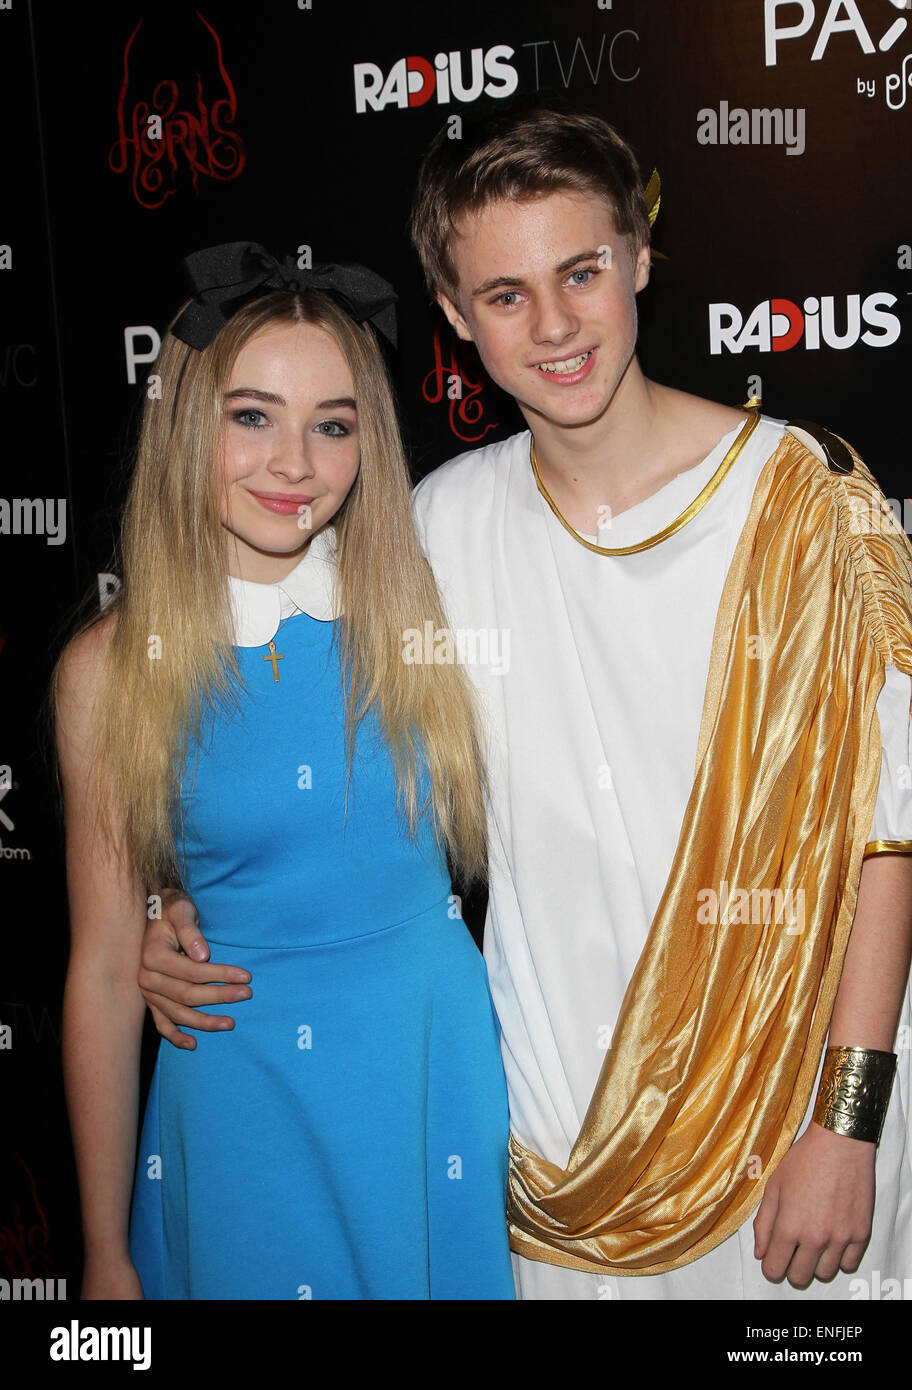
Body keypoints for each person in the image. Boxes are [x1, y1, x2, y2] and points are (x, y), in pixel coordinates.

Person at [139, 110, 912, 1301]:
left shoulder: (806, 501)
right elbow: (246, 696)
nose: (554, 325)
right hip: (552, 1139)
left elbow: (887, 831)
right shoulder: (432, 532)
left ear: (640, 259)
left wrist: (847, 1120)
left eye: (581, 272)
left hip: (794, 1138)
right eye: (506, 294)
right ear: (454, 316)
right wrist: (173, 904)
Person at [54, 243, 515, 1301]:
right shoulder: (109, 669)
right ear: (186, 421)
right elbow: (103, 973)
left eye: (333, 425)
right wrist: (104, 1251)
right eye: (252, 416)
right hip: (237, 1094)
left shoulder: (436, 604)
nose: (294, 464)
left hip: (427, 1083)